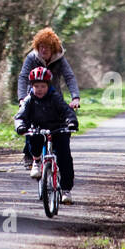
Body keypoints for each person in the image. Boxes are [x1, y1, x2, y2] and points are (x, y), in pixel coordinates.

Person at [16, 27, 80, 166]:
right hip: (33, 96)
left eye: (47, 47)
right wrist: (22, 98)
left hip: (53, 96)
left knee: (59, 129)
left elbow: (69, 77)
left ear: (54, 48)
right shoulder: (32, 57)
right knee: (31, 125)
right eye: (41, 47)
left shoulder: (60, 59)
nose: (43, 50)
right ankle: (30, 154)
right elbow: (23, 77)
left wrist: (75, 97)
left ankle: (57, 159)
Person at [14, 66, 79, 204]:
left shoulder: (55, 97)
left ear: (48, 86)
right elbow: (20, 116)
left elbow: (67, 111)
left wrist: (71, 122)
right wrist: (20, 126)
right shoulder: (29, 100)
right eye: (36, 86)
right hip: (38, 129)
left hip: (58, 129)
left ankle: (66, 190)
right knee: (33, 138)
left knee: (64, 158)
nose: (39, 89)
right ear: (31, 86)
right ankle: (36, 161)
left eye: (43, 86)